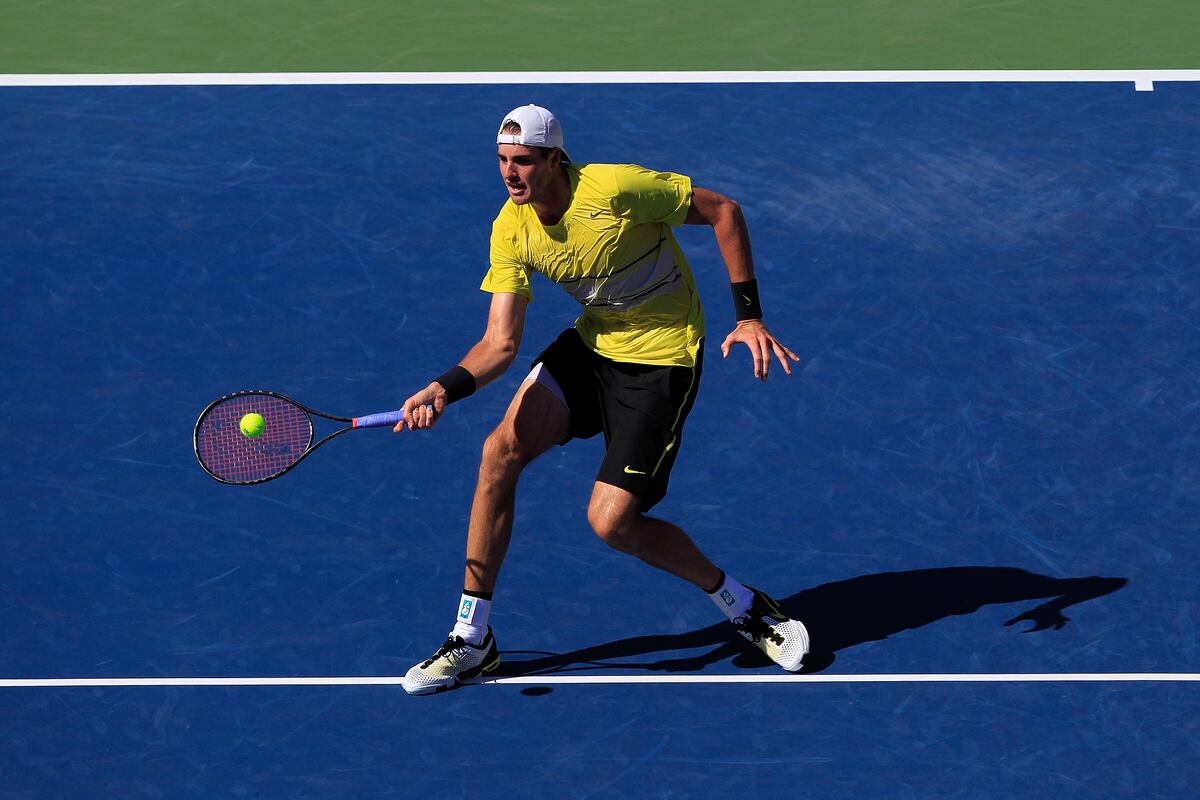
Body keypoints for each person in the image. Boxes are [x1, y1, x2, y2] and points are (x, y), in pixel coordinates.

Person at [394, 104, 809, 695]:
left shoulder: (615, 189)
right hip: (593, 347)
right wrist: (442, 388)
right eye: (503, 162)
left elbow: (724, 210)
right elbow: (499, 343)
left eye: (525, 162)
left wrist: (749, 318)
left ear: (555, 158)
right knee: (498, 453)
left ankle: (743, 604)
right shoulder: (511, 228)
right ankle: (471, 638)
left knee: (613, 522)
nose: (511, 175)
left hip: (662, 359)